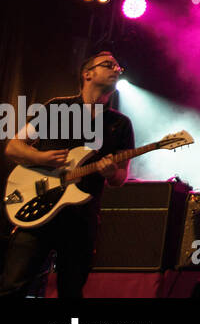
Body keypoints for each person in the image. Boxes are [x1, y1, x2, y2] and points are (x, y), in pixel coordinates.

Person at [1, 50, 134, 298]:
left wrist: (111, 171)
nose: (116, 70)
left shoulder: (121, 124)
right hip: (38, 207)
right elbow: (13, 146)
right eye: (108, 65)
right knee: (13, 287)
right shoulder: (57, 107)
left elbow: (120, 179)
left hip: (80, 219)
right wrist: (40, 158)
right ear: (87, 74)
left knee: (71, 291)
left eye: (119, 68)